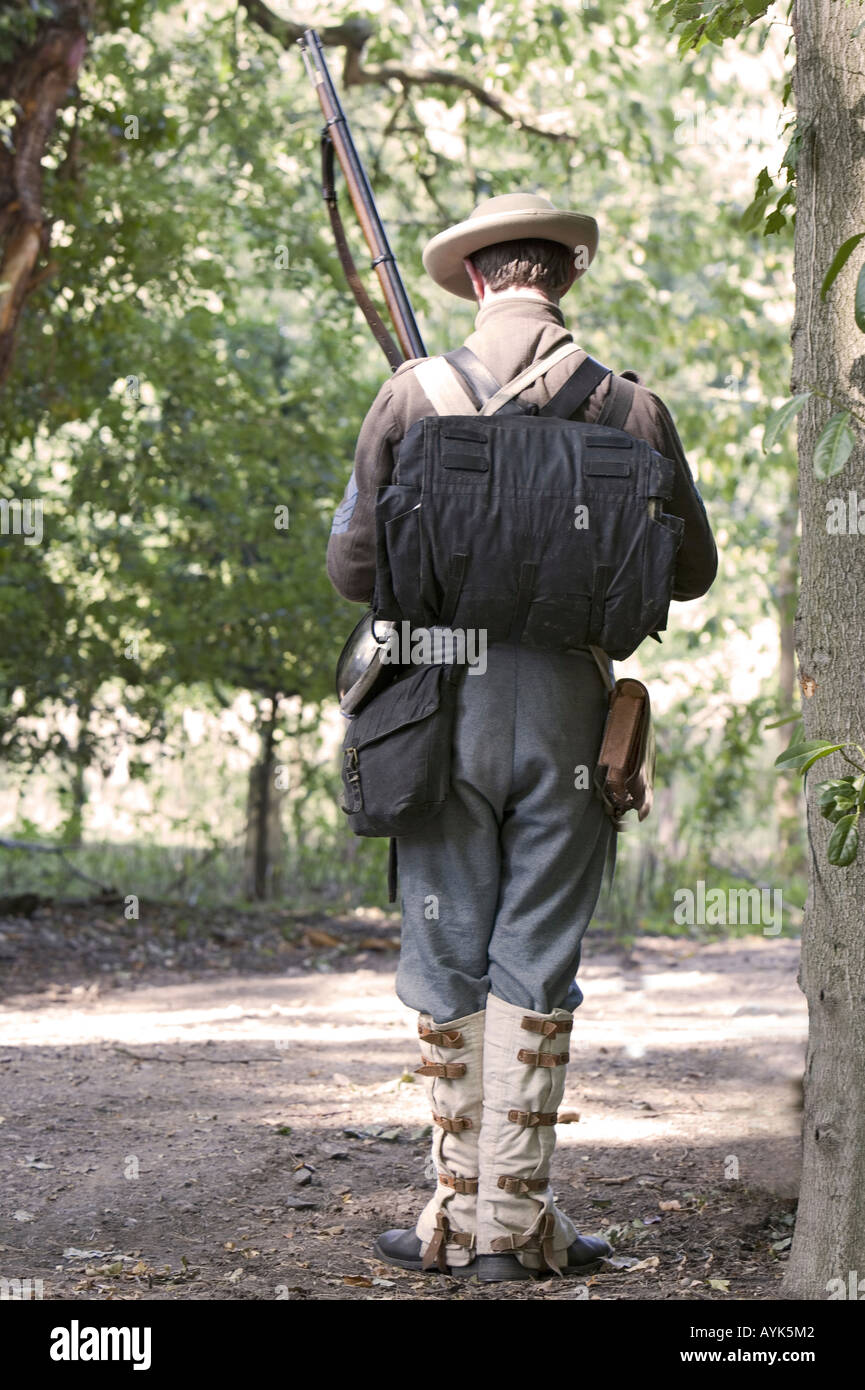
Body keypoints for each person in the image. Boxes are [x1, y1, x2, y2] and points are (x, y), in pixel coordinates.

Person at [326, 192, 717, 1281]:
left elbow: (353, 571)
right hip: (569, 714)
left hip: (430, 713)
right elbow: (691, 571)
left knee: (446, 951)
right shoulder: (627, 407)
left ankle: (452, 1218)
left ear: (481, 281)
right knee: (534, 958)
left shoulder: (414, 394)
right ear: (561, 280)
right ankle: (513, 1221)